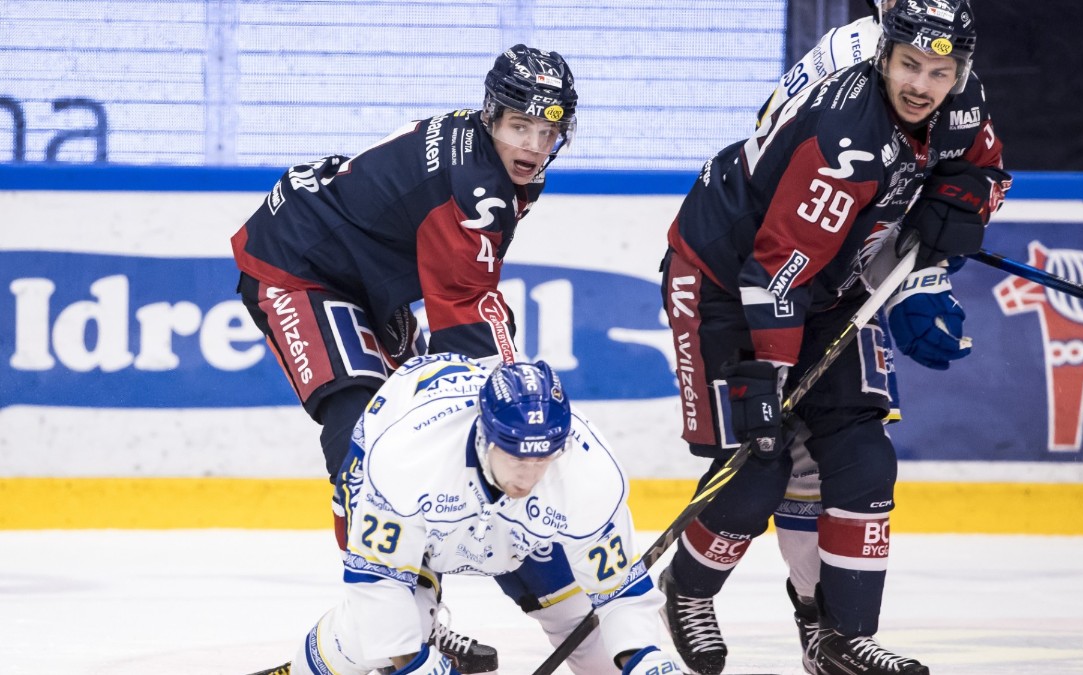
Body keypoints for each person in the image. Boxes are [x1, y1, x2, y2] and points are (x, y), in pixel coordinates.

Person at [657, 1, 1011, 673]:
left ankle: (845, 635)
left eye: (940, 71)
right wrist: (771, 377)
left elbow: (986, 169)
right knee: (761, 463)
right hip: (724, 282)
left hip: (826, 281)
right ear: (883, 54)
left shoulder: (960, 98)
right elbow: (774, 273)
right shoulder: (846, 138)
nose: (923, 85)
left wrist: (961, 209)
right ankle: (689, 589)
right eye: (909, 65)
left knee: (863, 455)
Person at [231, 45, 582, 672]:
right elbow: (466, 306)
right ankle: (385, 628)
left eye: (547, 131)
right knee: (364, 440)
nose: (533, 143)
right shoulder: (479, 182)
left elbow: (461, 288)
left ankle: (417, 615)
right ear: (492, 117)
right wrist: (507, 393)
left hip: (361, 278)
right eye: (519, 126)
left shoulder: (502, 169)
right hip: (300, 265)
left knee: (421, 441)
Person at [281, 354, 684, 675]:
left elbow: (618, 590)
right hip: (408, 491)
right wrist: (415, 665)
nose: (530, 473)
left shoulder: (589, 470)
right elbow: (376, 581)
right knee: (379, 637)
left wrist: (646, 661)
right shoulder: (407, 458)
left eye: (545, 456)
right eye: (515, 453)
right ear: (484, 433)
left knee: (587, 636)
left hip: (509, 526)